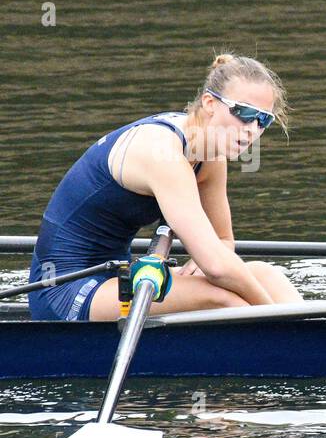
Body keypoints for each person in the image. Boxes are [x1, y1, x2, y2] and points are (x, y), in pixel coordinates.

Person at [28, 53, 301, 321]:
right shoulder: (162, 152)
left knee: (267, 275)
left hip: (119, 275)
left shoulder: (210, 153)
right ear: (209, 103)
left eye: (263, 119)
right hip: (61, 289)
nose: (253, 128)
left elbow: (222, 241)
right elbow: (217, 268)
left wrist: (211, 260)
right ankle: (291, 340)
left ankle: (315, 337)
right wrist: (272, 316)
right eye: (244, 113)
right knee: (222, 297)